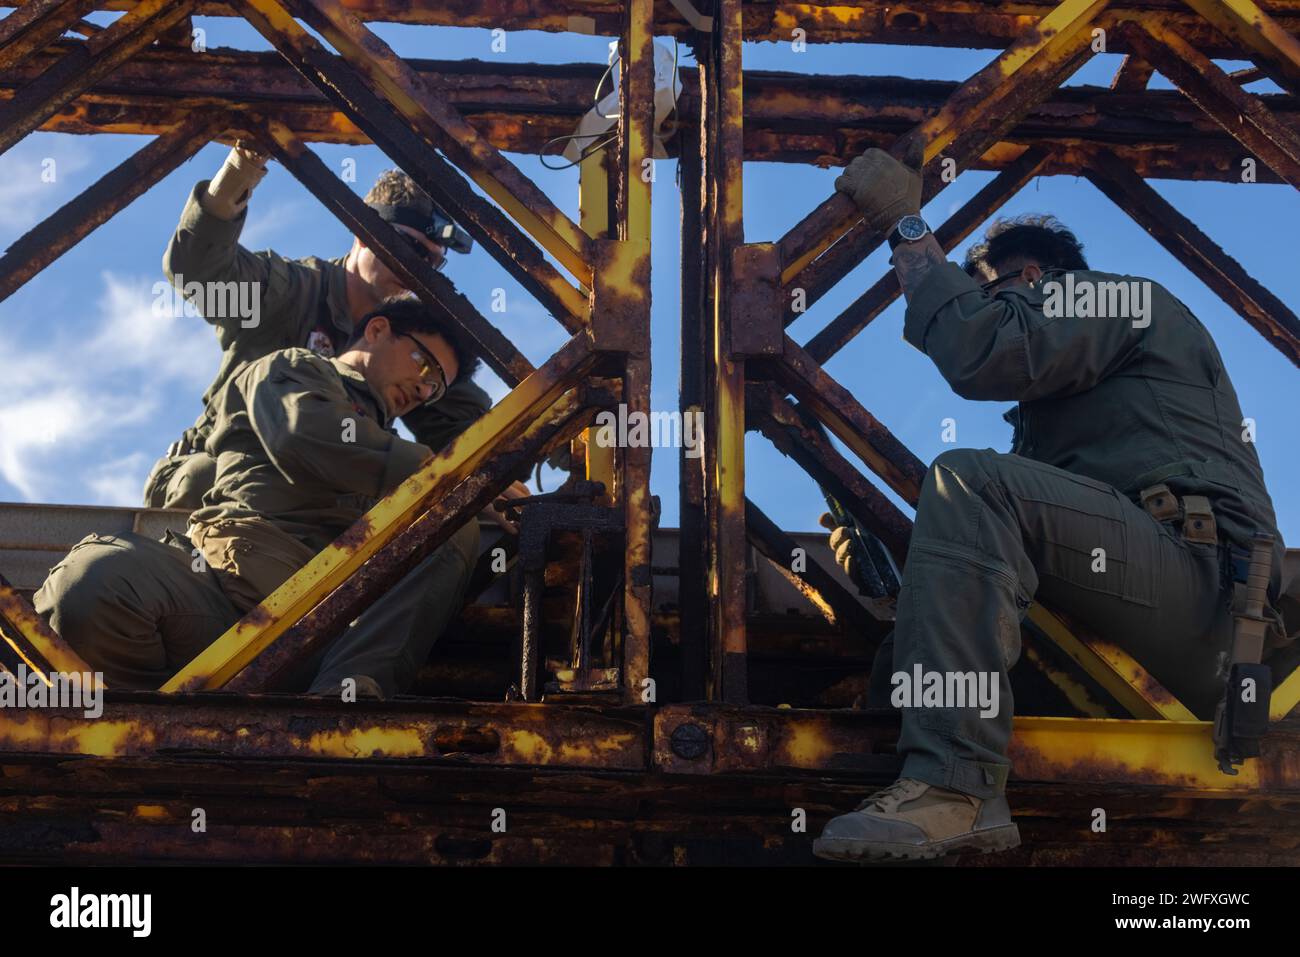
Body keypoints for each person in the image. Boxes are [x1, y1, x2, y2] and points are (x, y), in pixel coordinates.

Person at [812, 146, 1290, 862]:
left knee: (971, 481)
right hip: (1142, 595)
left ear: (1032, 278)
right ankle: (923, 791)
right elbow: (984, 583)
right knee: (894, 663)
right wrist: (896, 589)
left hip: (1204, 593)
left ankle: (956, 788)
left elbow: (981, 350)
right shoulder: (1058, 433)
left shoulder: (1122, 301)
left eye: (990, 290)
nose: (984, 302)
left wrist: (907, 226)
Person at [36, 299, 482, 699]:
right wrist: (444, 468)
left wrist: (487, 497)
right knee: (94, 579)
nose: (424, 390)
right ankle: (158, 731)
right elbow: (303, 434)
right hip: (218, 596)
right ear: (378, 329)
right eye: (424, 365)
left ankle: (342, 701)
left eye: (437, 388)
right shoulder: (296, 369)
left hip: (318, 636)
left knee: (454, 521)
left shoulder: (416, 474)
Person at [144, 145, 493, 510]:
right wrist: (243, 165)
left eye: (430, 263)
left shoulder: (413, 353)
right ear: (363, 233)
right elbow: (198, 272)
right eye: (405, 247)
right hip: (220, 474)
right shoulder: (292, 291)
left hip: (326, 500)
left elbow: (470, 432)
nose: (413, 269)